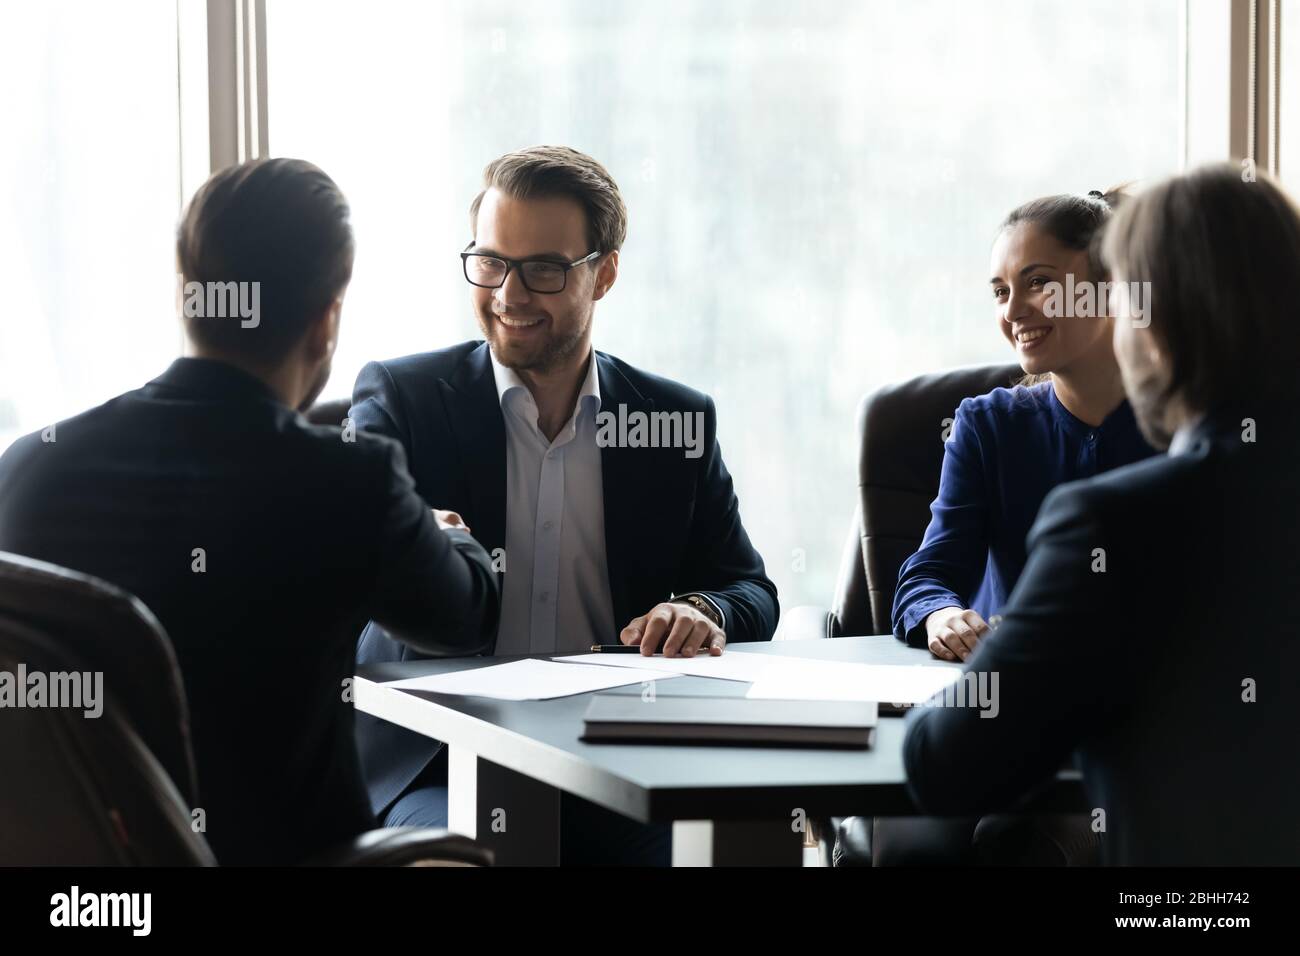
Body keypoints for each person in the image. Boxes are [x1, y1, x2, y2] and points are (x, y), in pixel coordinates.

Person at [0, 158, 500, 865]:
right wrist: (451, 537)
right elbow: (465, 619)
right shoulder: (345, 480)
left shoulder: (29, 467)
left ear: (188, 296)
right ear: (327, 321)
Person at [351, 145, 778, 864]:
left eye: (542, 269)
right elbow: (348, 564)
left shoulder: (671, 420)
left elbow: (752, 592)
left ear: (603, 273)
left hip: (614, 759)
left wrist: (702, 610)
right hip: (439, 755)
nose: (509, 294)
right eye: (489, 263)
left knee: (727, 849)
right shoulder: (402, 399)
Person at [903, 162, 1300, 864]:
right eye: (1002, 290)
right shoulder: (995, 428)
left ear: (1152, 319)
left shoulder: (1115, 524)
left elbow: (944, 762)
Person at [893, 188, 1156, 662]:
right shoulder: (986, 426)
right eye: (1000, 291)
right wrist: (940, 614)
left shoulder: (1184, 426)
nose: (1012, 311)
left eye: (1037, 282)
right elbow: (928, 577)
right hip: (1011, 697)